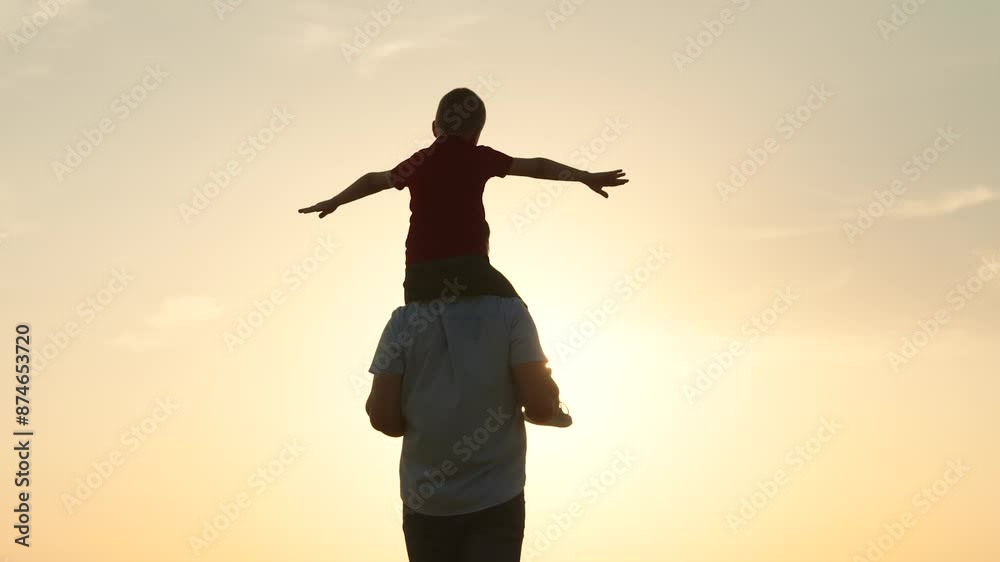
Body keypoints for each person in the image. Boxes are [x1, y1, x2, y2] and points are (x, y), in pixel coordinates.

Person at [299, 87, 627, 426]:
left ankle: (393, 406)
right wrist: (584, 176)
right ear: (477, 133)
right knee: (517, 309)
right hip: (468, 269)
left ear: (433, 127)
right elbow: (538, 165)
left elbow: (373, 180)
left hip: (419, 276)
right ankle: (544, 403)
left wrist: (334, 201)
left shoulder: (418, 161)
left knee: (418, 328)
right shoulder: (478, 156)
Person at [365, 294, 562, 562]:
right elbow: (539, 408)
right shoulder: (511, 311)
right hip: (497, 497)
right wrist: (548, 393)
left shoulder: (402, 321)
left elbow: (384, 419)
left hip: (425, 501)